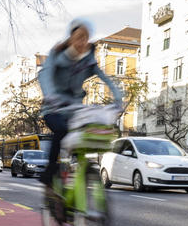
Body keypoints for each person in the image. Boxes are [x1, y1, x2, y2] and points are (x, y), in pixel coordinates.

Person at [37, 17, 123, 189]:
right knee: (61, 130)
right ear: (71, 39)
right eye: (78, 37)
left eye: (85, 38)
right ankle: (51, 170)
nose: (81, 42)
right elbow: (44, 74)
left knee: (85, 136)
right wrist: (50, 95)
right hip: (53, 107)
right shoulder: (57, 54)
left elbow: (106, 78)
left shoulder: (88, 60)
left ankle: (74, 173)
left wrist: (118, 99)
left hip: (75, 109)